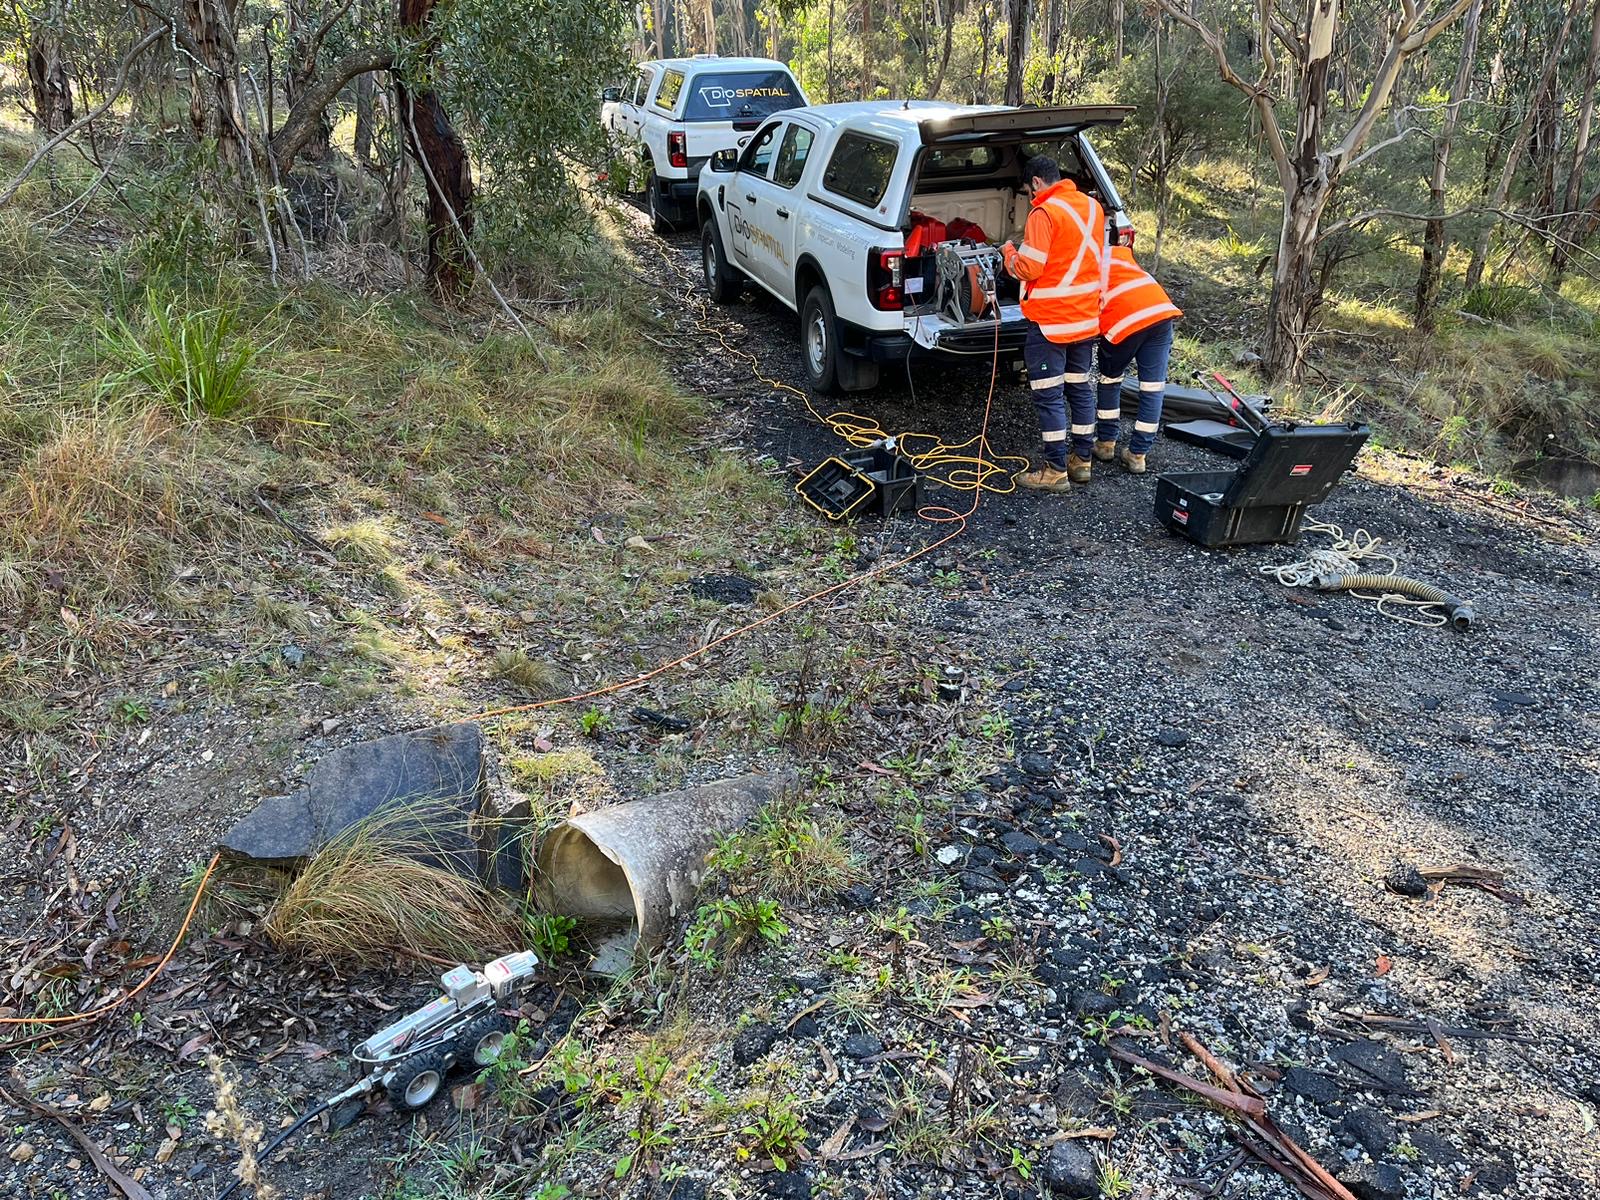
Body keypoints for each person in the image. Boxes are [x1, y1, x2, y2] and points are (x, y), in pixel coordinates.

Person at [1000, 155, 1107, 493]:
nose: (1030, 197)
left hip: (1051, 323)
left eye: (1028, 191)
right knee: (1079, 387)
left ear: (1035, 183)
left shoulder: (1044, 212)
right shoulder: (1092, 207)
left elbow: (1028, 269)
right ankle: (1082, 461)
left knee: (1049, 395)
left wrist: (1007, 254)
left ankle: (1055, 470)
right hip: (1085, 319)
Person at [1092, 244, 1183, 474]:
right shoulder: (1117, 252)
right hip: (1160, 313)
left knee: (1110, 378)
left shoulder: (1083, 260)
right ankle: (1137, 455)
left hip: (1125, 318)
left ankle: (1105, 444)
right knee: (1153, 388)